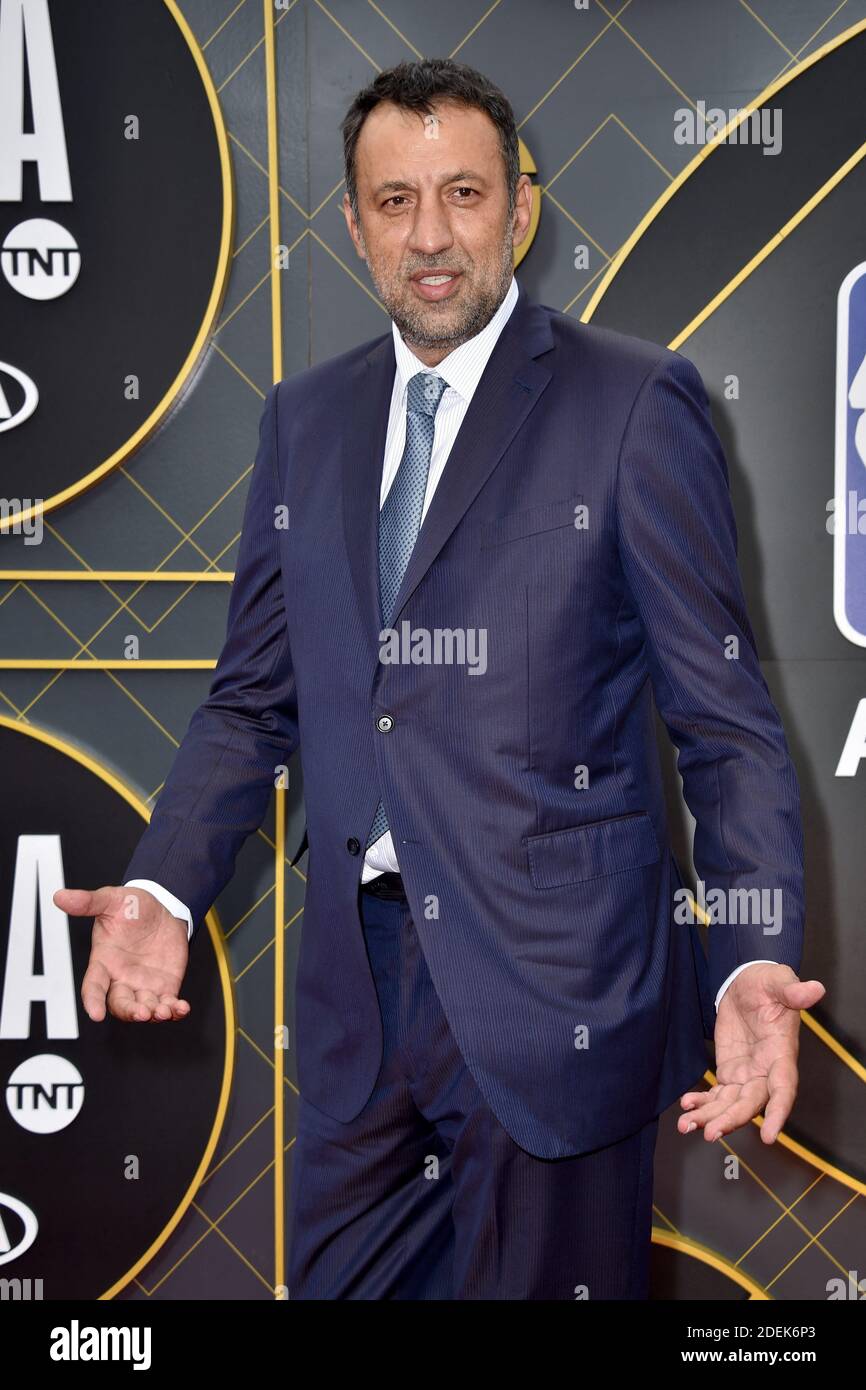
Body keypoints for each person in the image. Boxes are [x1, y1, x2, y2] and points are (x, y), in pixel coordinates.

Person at [55, 58, 824, 1300]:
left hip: (556, 999)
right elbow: (254, 697)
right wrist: (161, 883)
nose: (431, 236)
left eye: (462, 194)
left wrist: (742, 961)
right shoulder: (303, 421)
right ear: (351, 225)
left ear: (518, 209)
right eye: (395, 200)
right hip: (359, 1010)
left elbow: (722, 724)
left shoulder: (633, 402)